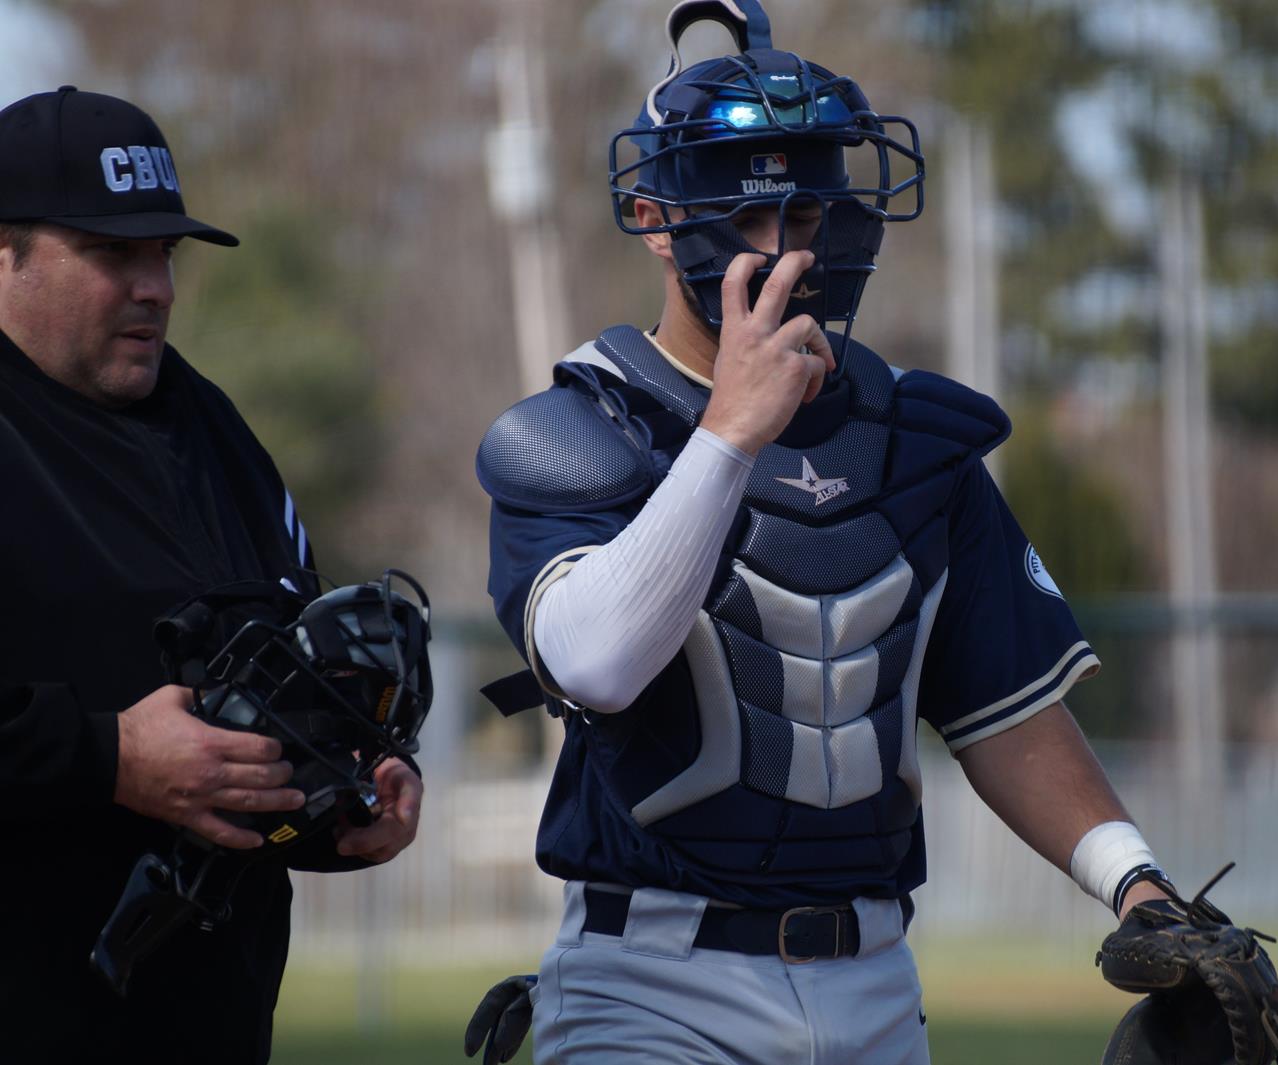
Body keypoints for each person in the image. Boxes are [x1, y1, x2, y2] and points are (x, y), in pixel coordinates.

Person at [470, 3, 1189, 1062]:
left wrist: (1139, 888)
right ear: (655, 214)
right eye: (752, 212)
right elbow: (595, 663)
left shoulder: (916, 440)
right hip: (649, 985)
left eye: (810, 213)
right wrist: (730, 434)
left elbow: (1004, 713)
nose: (790, 249)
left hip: (875, 988)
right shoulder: (577, 431)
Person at [0, 86, 423, 1063]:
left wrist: (344, 792)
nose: (156, 285)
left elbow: (278, 669)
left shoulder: (210, 429)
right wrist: (106, 756)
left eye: (165, 253)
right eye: (114, 253)